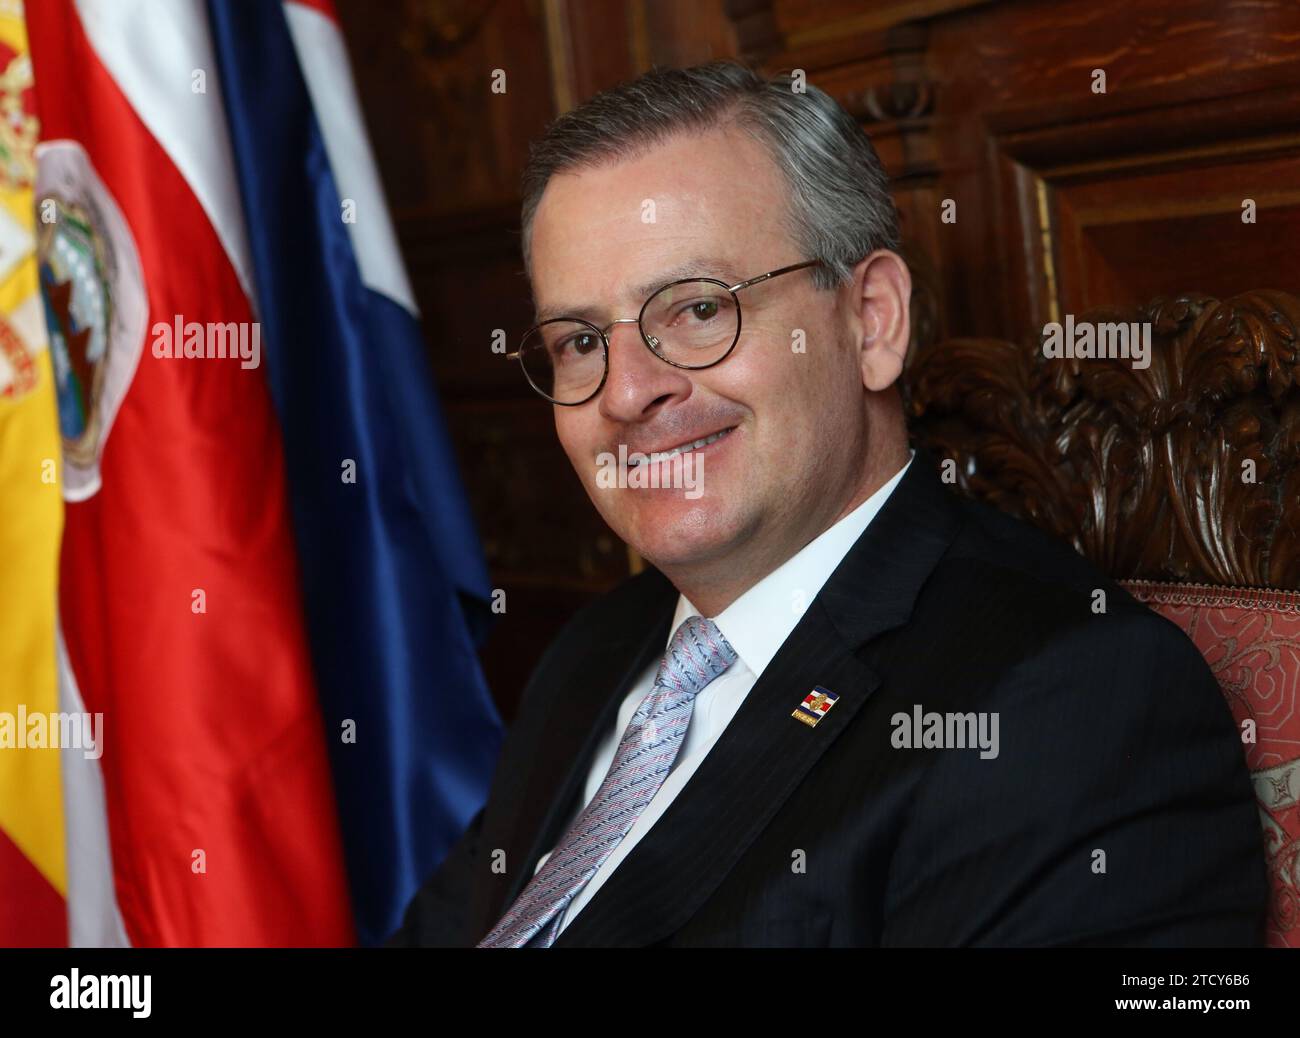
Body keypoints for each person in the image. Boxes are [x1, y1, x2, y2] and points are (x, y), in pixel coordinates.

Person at [386, 61, 1267, 947]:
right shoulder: (594, 652)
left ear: (871, 321)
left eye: (696, 309)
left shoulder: (1067, 707)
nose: (626, 393)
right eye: (581, 340)